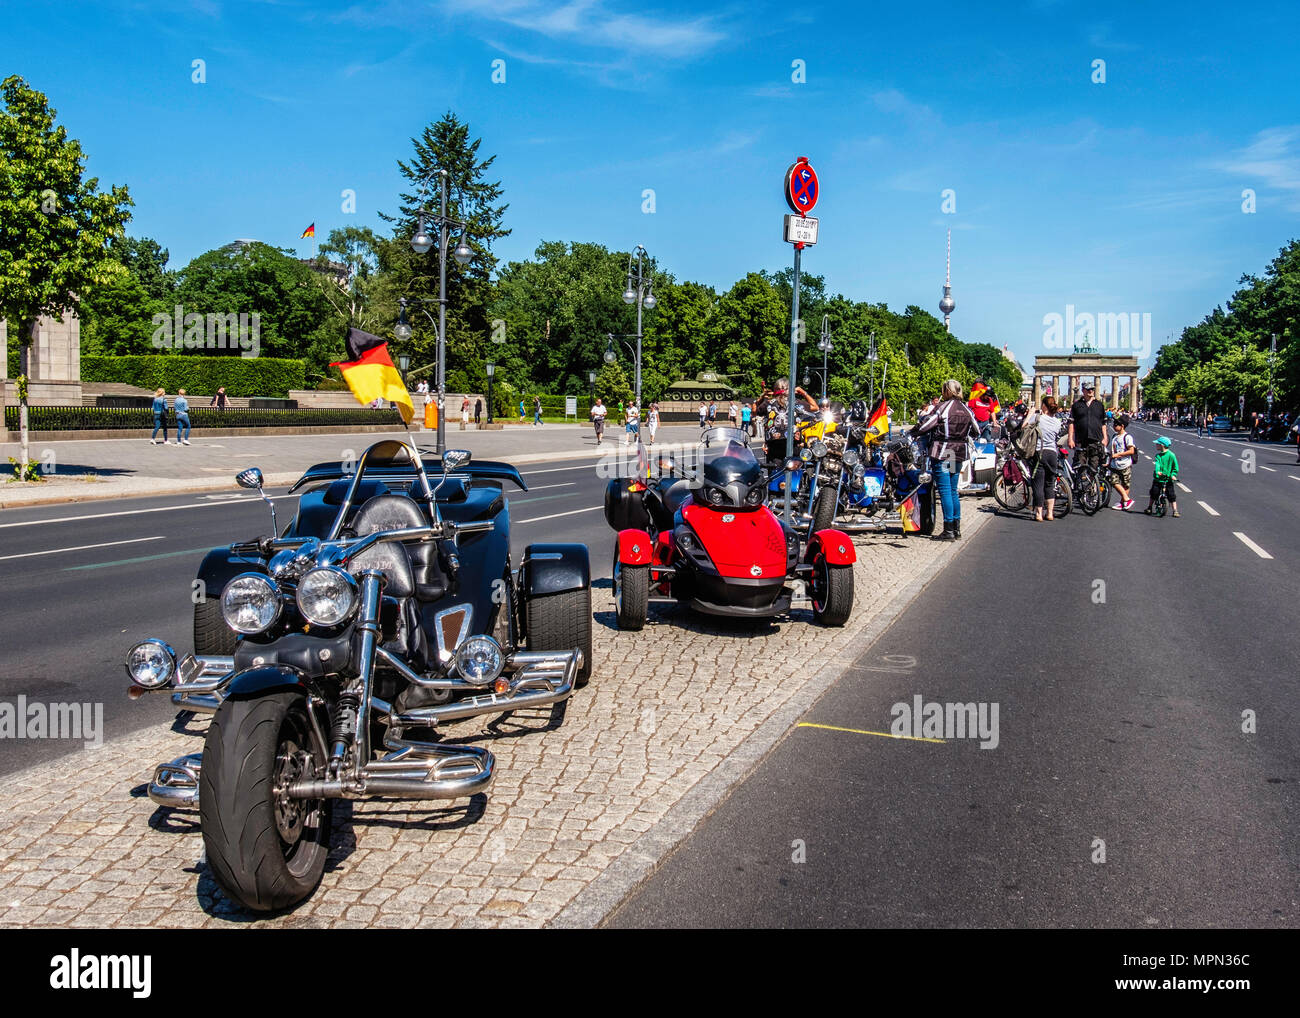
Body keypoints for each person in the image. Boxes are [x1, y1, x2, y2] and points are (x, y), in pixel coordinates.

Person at [912, 379, 978, 538]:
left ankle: (948, 529)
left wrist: (913, 432)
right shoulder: (966, 409)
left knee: (945, 491)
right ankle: (956, 528)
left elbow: (924, 427)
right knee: (953, 491)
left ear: (947, 391)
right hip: (958, 453)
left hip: (943, 452)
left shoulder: (942, 408)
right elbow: (976, 431)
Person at [1024, 395, 1062, 522]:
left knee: (1038, 484)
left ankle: (1039, 514)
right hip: (1052, 453)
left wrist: (1030, 414)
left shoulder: (1038, 418)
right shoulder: (1058, 422)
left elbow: (1024, 426)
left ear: (1044, 406)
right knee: (1049, 484)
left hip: (1039, 452)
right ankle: (1050, 513)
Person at [1068, 381, 1108, 474]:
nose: (1091, 391)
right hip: (1081, 441)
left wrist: (1105, 438)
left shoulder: (1099, 405)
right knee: (1079, 467)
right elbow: (1071, 423)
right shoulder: (1076, 405)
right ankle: (1080, 486)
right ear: (1083, 391)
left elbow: (1103, 423)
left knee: (1094, 468)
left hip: (1095, 440)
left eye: (1092, 389)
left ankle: (1091, 487)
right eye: (1088, 389)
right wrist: (1070, 438)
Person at [1143, 436, 1180, 517]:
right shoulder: (1158, 456)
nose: (1156, 445)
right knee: (1154, 492)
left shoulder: (1171, 455)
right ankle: (1149, 507)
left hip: (1168, 479)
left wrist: (1173, 475)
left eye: (1157, 444)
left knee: (1171, 495)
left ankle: (1175, 510)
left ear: (1162, 445)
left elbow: (1175, 467)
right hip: (1158, 479)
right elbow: (1157, 465)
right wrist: (1158, 472)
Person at [1107, 413, 1135, 510]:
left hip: (1125, 464)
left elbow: (1131, 450)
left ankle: (1123, 503)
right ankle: (1127, 499)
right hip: (1115, 464)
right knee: (1113, 481)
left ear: (1122, 426)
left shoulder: (1127, 437)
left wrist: (1118, 455)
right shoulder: (1114, 436)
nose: (1114, 426)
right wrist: (1109, 461)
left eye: (1116, 425)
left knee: (1125, 485)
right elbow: (1112, 451)